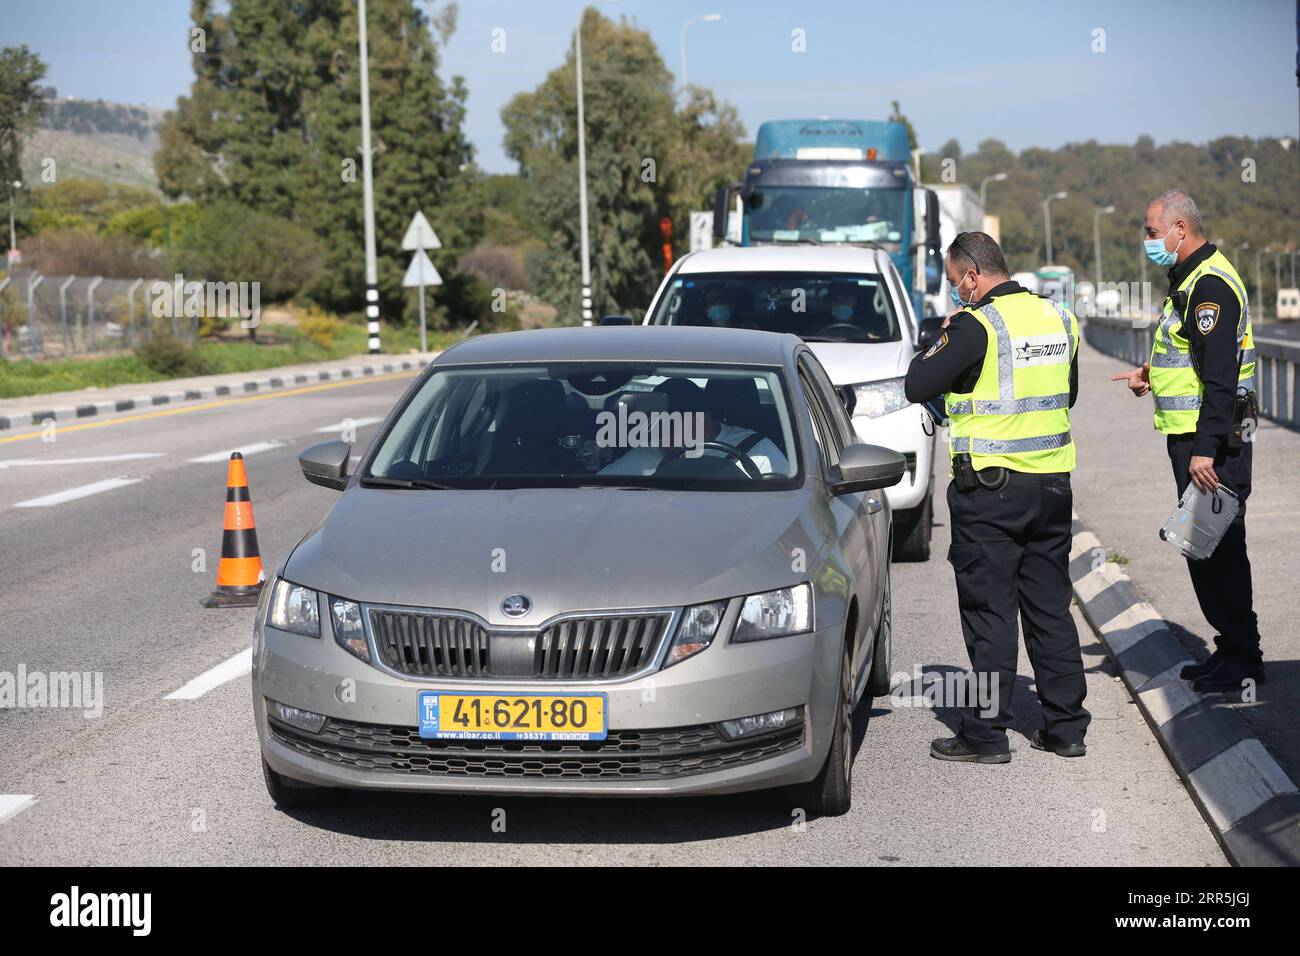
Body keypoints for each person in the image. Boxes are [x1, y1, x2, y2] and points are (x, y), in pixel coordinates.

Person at [904, 231, 1090, 764]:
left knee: (990, 614)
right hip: (1053, 487)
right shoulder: (1059, 319)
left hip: (991, 492)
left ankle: (985, 736)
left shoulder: (974, 326)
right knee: (1050, 607)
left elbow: (918, 383)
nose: (956, 292)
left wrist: (944, 340)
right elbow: (1067, 393)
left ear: (972, 276)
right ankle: (1066, 729)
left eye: (955, 281)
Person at [1110, 189, 1262, 693]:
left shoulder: (1210, 286)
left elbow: (1220, 378)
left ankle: (1244, 659)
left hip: (1212, 443)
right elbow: (1195, 361)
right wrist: (1153, 374)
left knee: (1218, 547)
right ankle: (1231, 649)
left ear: (1180, 228)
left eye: (1152, 231)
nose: (1147, 240)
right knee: (1204, 546)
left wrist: (1204, 449)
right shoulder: (1190, 279)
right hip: (1198, 436)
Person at [599, 377, 789, 477]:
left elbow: (785, 500)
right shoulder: (647, 454)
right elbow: (600, 489)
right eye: (661, 426)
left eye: (676, 425)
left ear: (704, 418)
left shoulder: (757, 450)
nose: (666, 437)